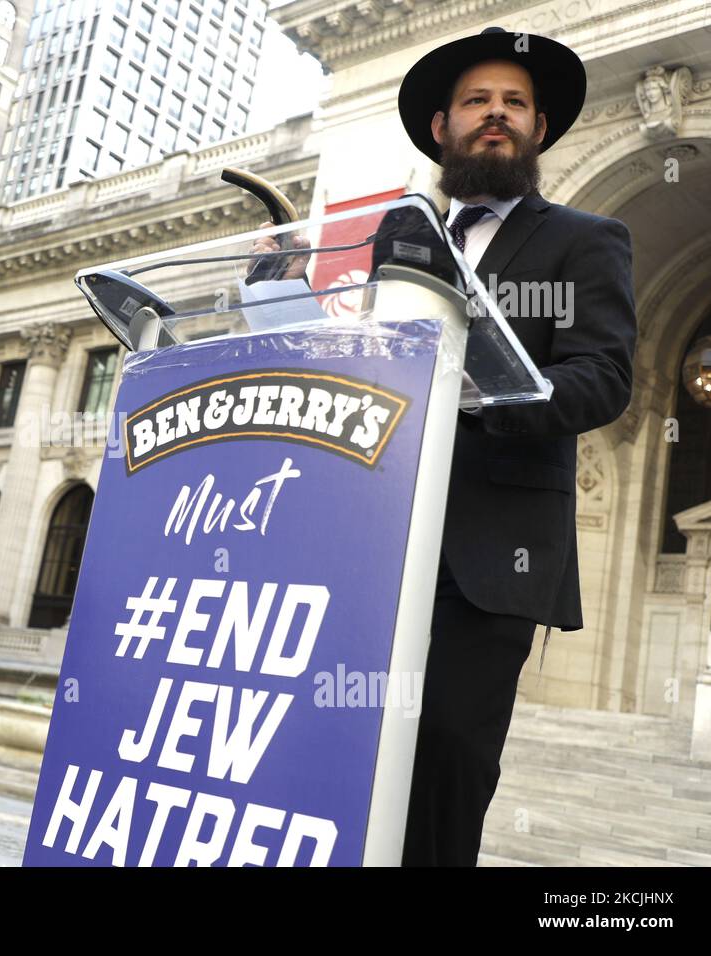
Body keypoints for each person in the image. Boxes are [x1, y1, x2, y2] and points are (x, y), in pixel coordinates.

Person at [250, 28, 636, 865]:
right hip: (368, 544)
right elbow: (358, 368)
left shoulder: (584, 240)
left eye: (514, 103)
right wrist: (282, 303)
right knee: (340, 755)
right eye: (476, 101)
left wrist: (489, 390)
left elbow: (603, 378)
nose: (495, 115)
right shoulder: (391, 239)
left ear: (539, 129)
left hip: (492, 557)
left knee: (447, 767)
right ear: (441, 127)